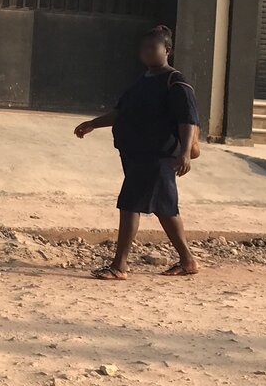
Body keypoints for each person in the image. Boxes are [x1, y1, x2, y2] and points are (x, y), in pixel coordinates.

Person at [73, 25, 200, 280]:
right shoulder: (142, 81)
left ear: (167, 50)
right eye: (143, 48)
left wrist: (184, 153)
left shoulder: (176, 83)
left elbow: (188, 121)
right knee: (165, 209)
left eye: (153, 47)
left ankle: (119, 266)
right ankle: (187, 261)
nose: (147, 52)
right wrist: (93, 124)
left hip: (158, 156)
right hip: (138, 155)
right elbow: (121, 113)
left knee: (130, 204)